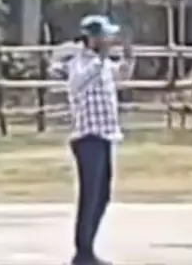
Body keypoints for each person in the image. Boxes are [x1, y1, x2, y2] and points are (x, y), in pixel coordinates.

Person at [51, 15, 133, 265]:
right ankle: (82, 252)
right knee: (89, 197)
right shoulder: (80, 63)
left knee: (102, 196)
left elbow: (121, 76)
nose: (109, 40)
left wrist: (129, 56)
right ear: (92, 38)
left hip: (105, 136)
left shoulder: (104, 63)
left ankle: (88, 248)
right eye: (105, 36)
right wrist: (101, 58)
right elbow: (78, 84)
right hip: (88, 138)